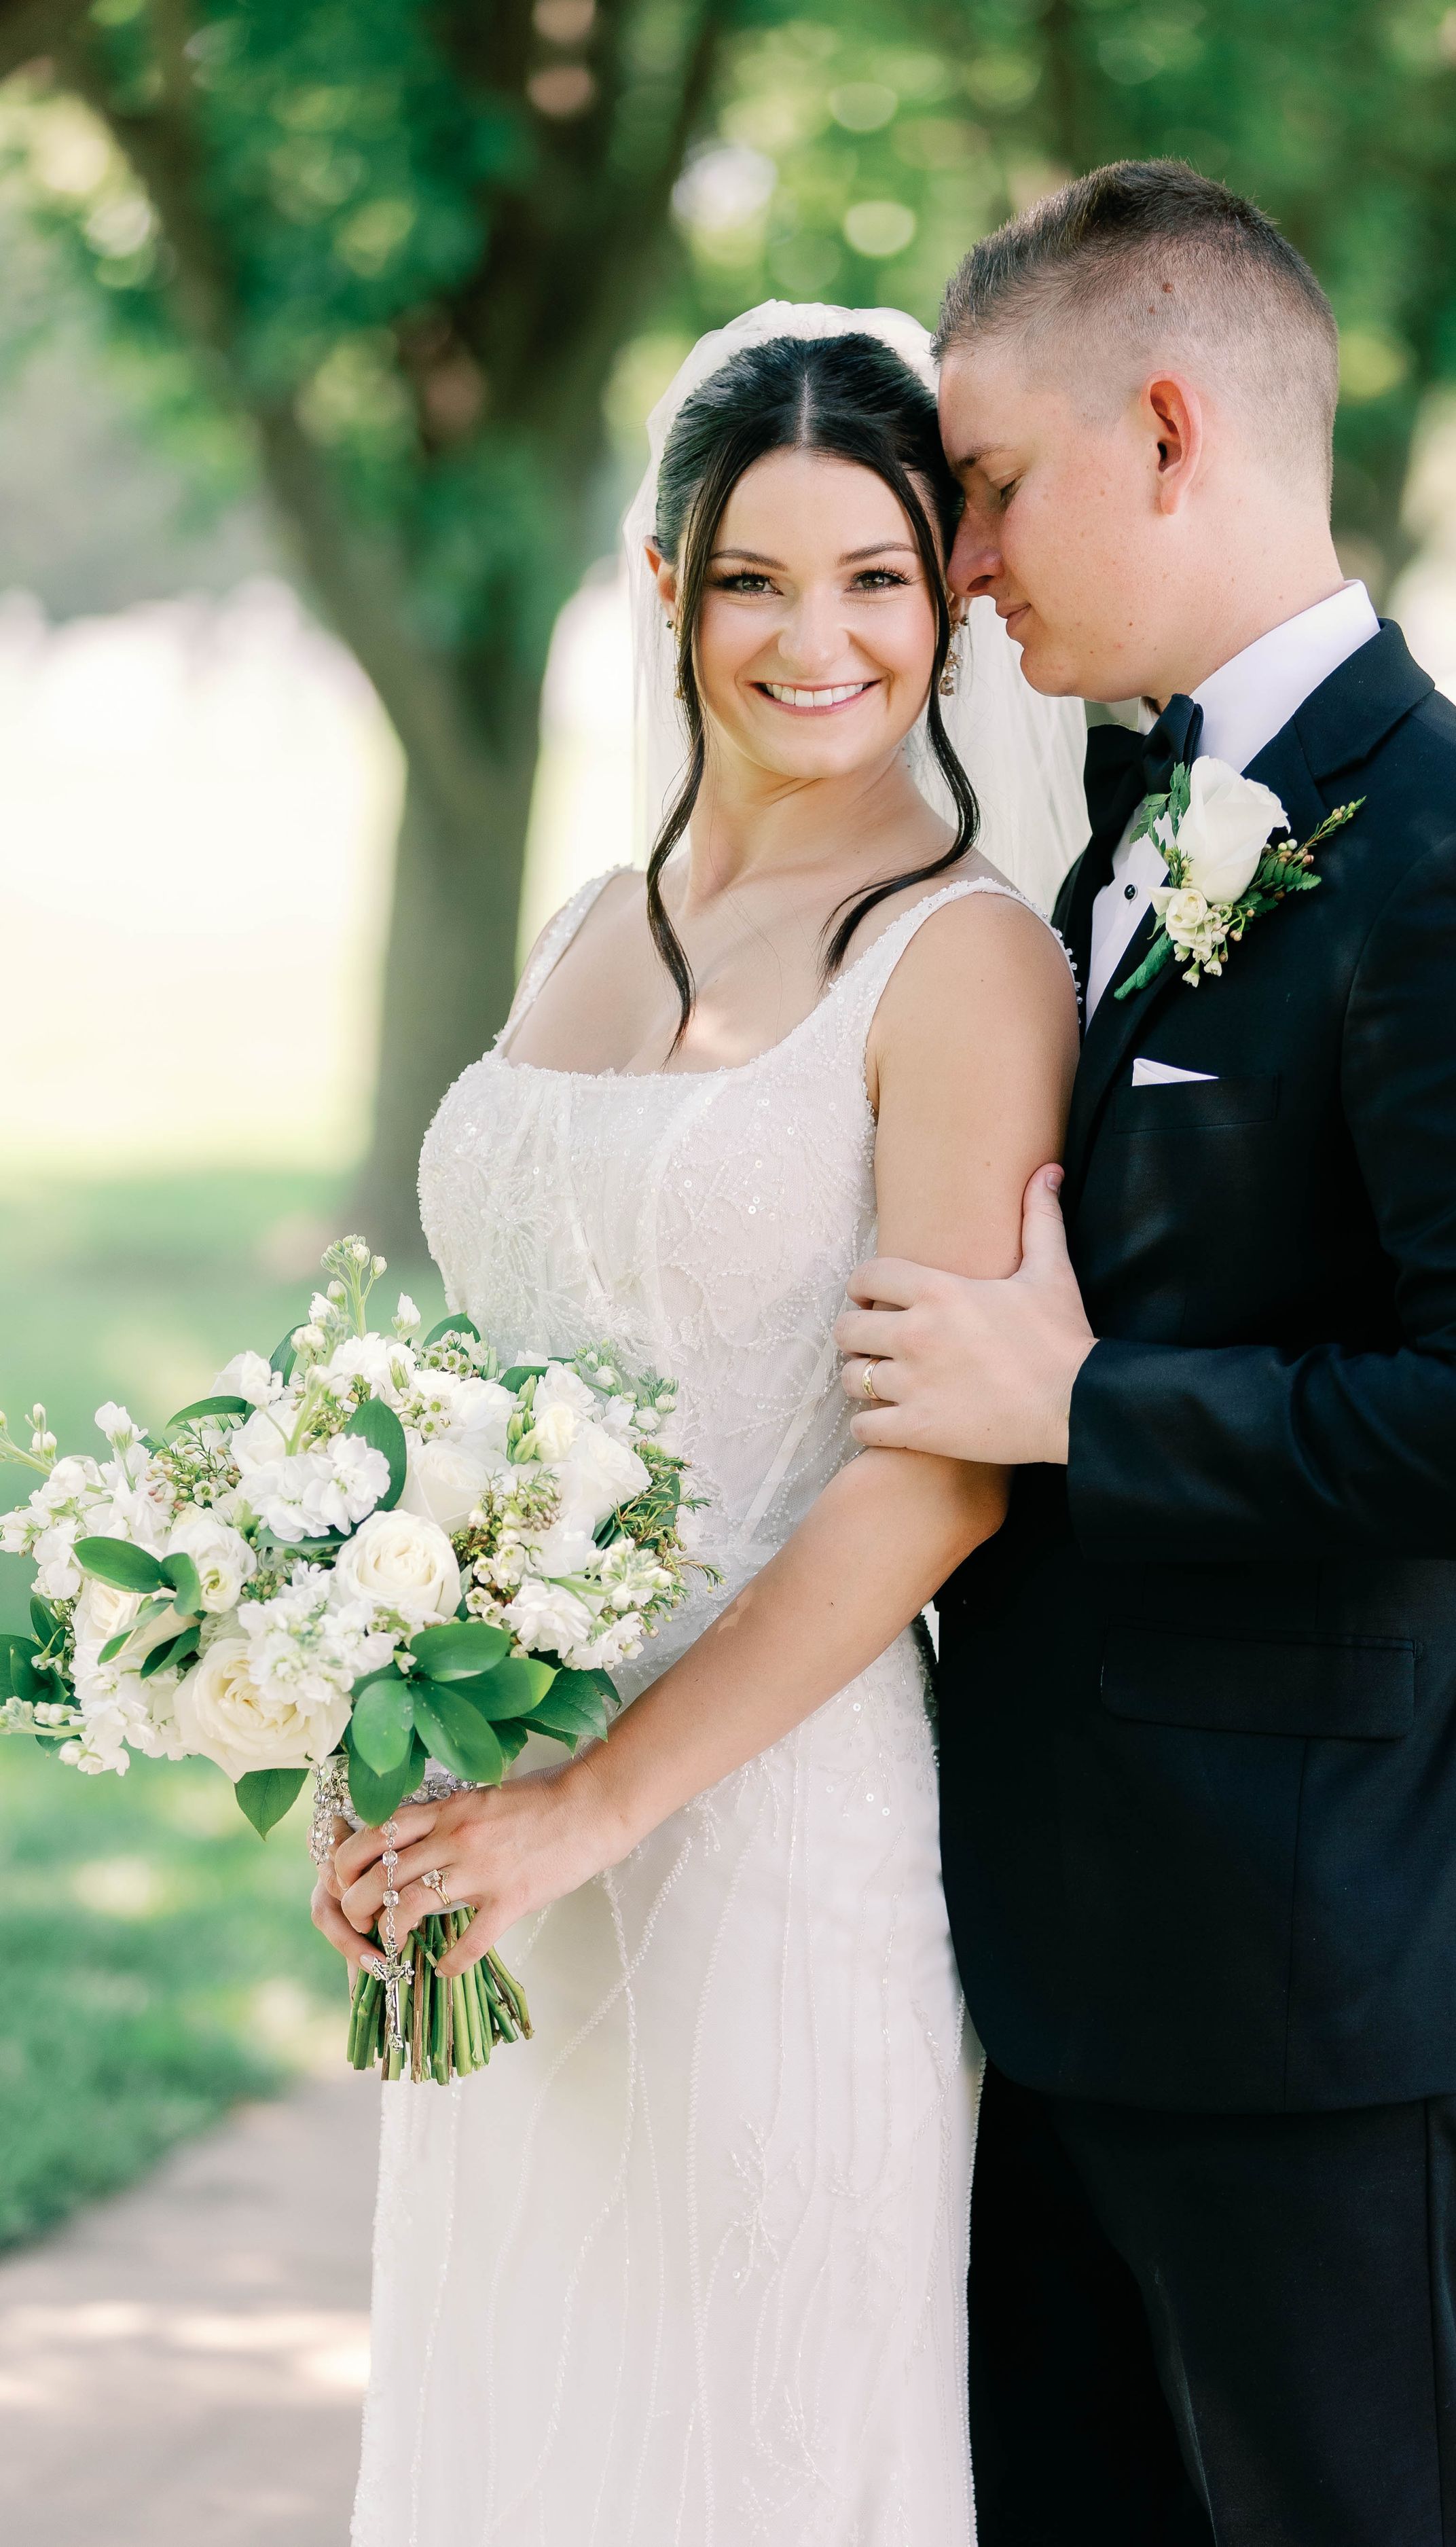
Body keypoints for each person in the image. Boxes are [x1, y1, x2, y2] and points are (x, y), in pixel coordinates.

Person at [835, 163, 1456, 2544]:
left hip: (1330, 1994)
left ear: (1169, 432)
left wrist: (1075, 1408)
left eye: (993, 486)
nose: (964, 563)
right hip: (1065, 1978)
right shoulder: (1114, 825)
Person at [312, 309, 1082, 2544]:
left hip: (772, 1850)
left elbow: (939, 1473)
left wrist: (595, 1807)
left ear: (949, 598)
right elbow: (478, 1405)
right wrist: (383, 1747)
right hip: (505, 1845)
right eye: (753, 578)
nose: (815, 642)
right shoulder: (588, 923)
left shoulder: (960, 959)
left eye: (875, 579)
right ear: (664, 583)